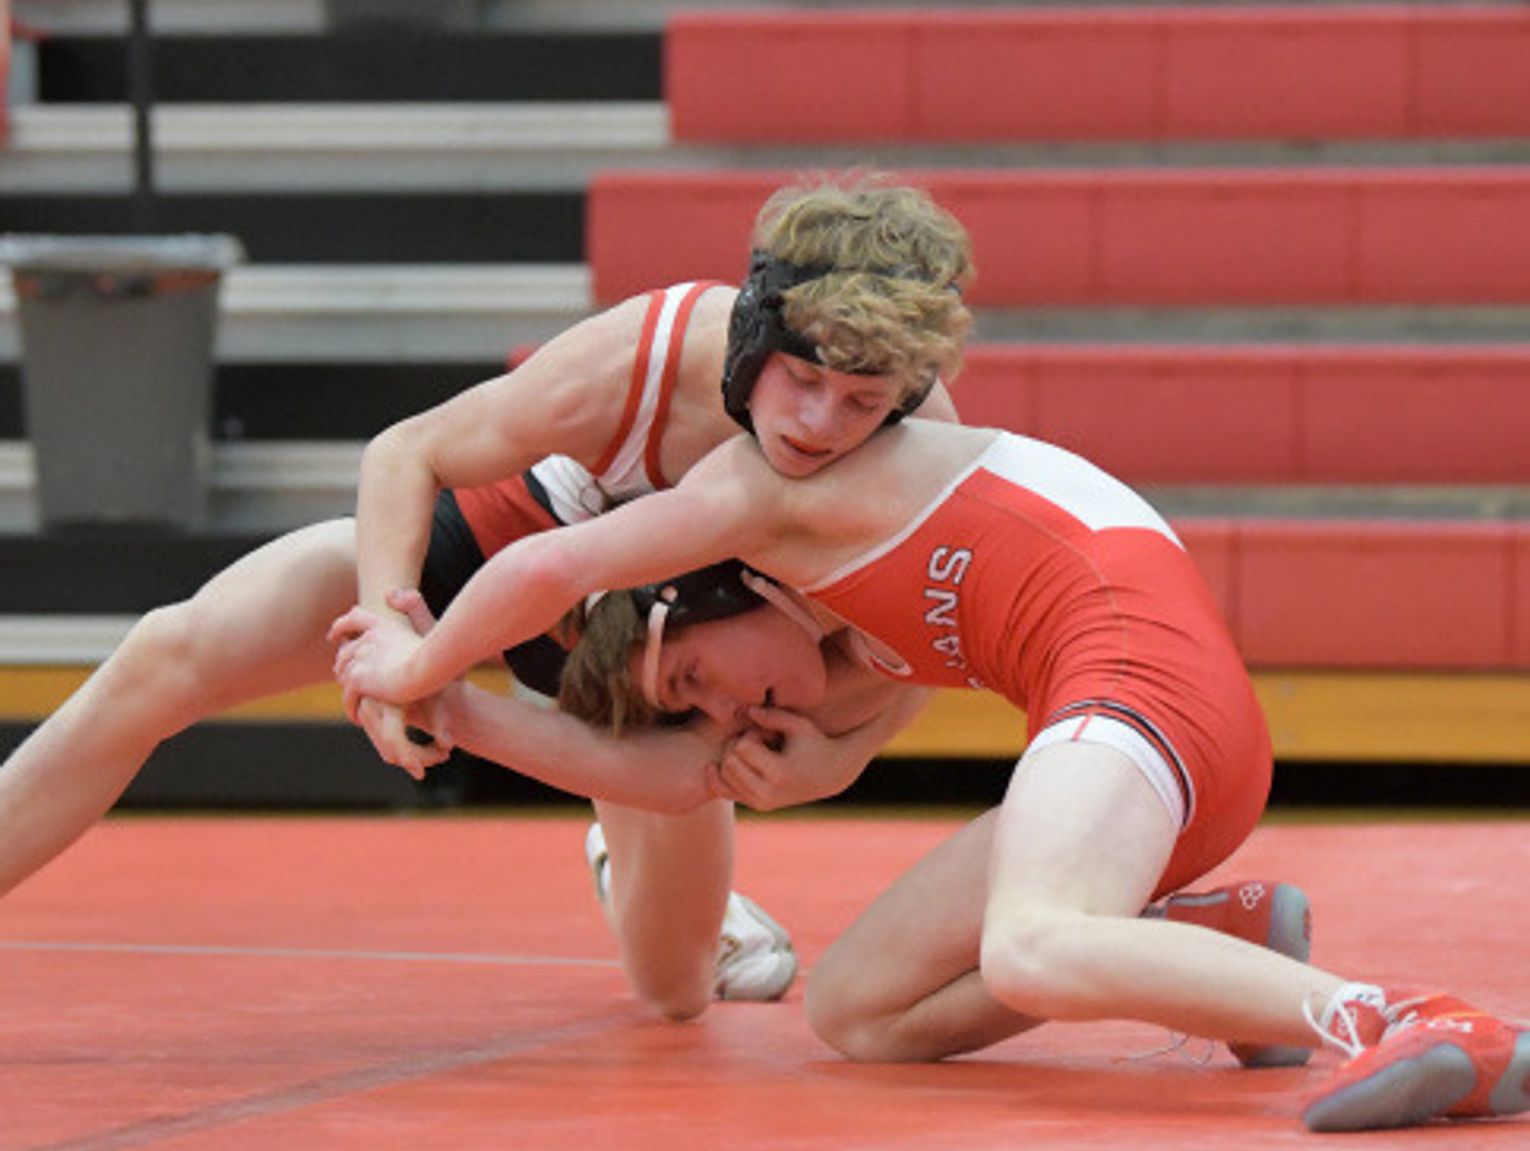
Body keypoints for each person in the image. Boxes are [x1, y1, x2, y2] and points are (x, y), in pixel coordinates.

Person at [330, 417, 1528, 1133]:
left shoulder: (777, 497)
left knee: (1027, 943)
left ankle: (1410, 1015)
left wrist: (413, 653)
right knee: (858, 1008)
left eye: (696, 674)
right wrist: (457, 715)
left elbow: (549, 569)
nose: (728, 712)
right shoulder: (835, 645)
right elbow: (668, 775)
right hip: (1136, 737)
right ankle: (1220, 943)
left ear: (708, 581)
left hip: (1143, 676)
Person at [0, 175, 973, 1012]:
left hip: (667, 669)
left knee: (674, 993)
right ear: (757, 334)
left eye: (862, 401)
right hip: (506, 547)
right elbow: (407, 450)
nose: (821, 423)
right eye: (802, 378)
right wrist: (388, 623)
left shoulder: (915, 466)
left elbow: (914, 656)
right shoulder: (649, 356)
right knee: (169, 652)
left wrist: (836, 761)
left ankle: (664, 890)